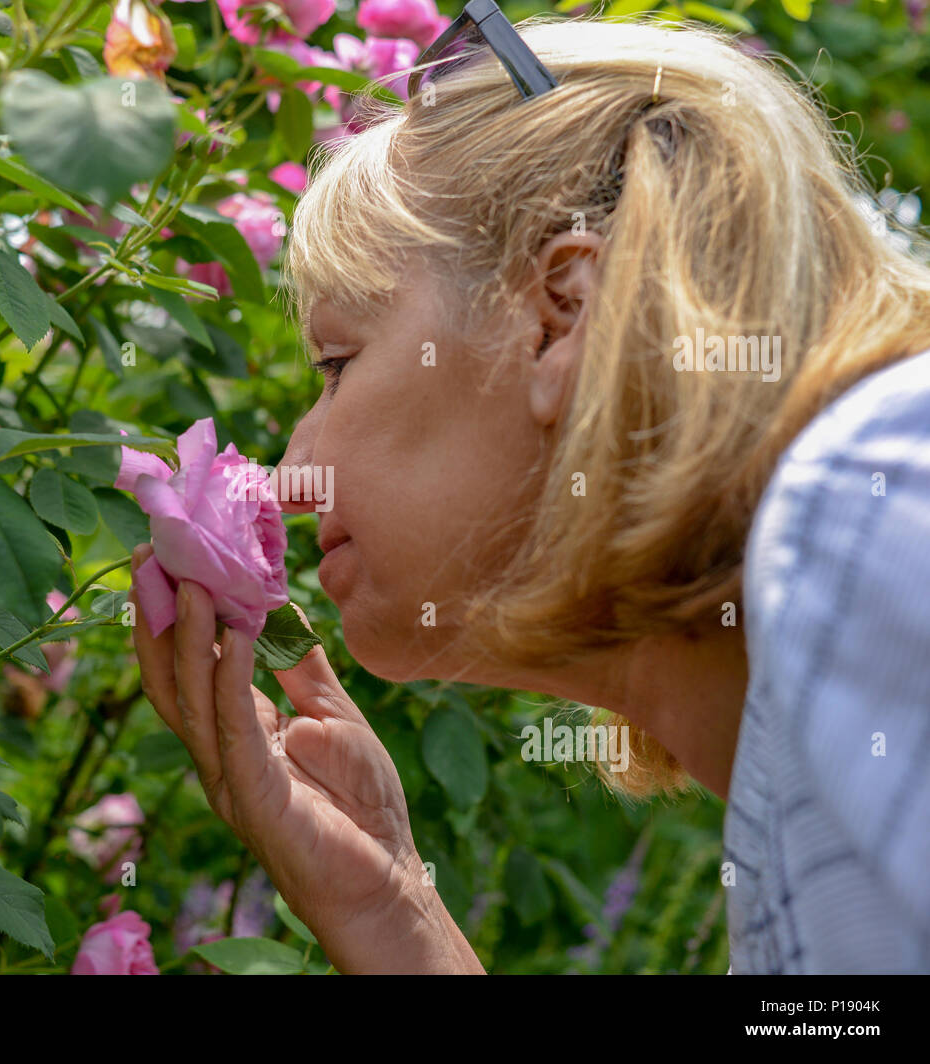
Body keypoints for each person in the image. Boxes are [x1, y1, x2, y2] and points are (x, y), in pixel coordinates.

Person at [128, 15, 930, 973]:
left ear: (565, 317)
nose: (295, 467)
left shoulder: (872, 505)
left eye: (337, 363)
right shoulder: (782, 782)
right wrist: (392, 912)